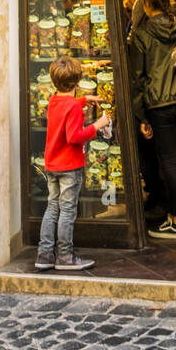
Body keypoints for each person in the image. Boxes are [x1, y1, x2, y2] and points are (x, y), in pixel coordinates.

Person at [35, 56, 111, 273]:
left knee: (52, 207)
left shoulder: (53, 100)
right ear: (78, 80)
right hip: (69, 166)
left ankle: (44, 253)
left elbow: (66, 108)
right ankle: (65, 256)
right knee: (68, 211)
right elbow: (75, 137)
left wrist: (83, 99)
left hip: (52, 164)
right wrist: (98, 124)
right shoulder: (73, 108)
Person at [129, 0, 176, 240]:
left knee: (169, 164)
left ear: (145, 3)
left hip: (158, 105)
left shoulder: (141, 35)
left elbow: (138, 78)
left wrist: (141, 115)